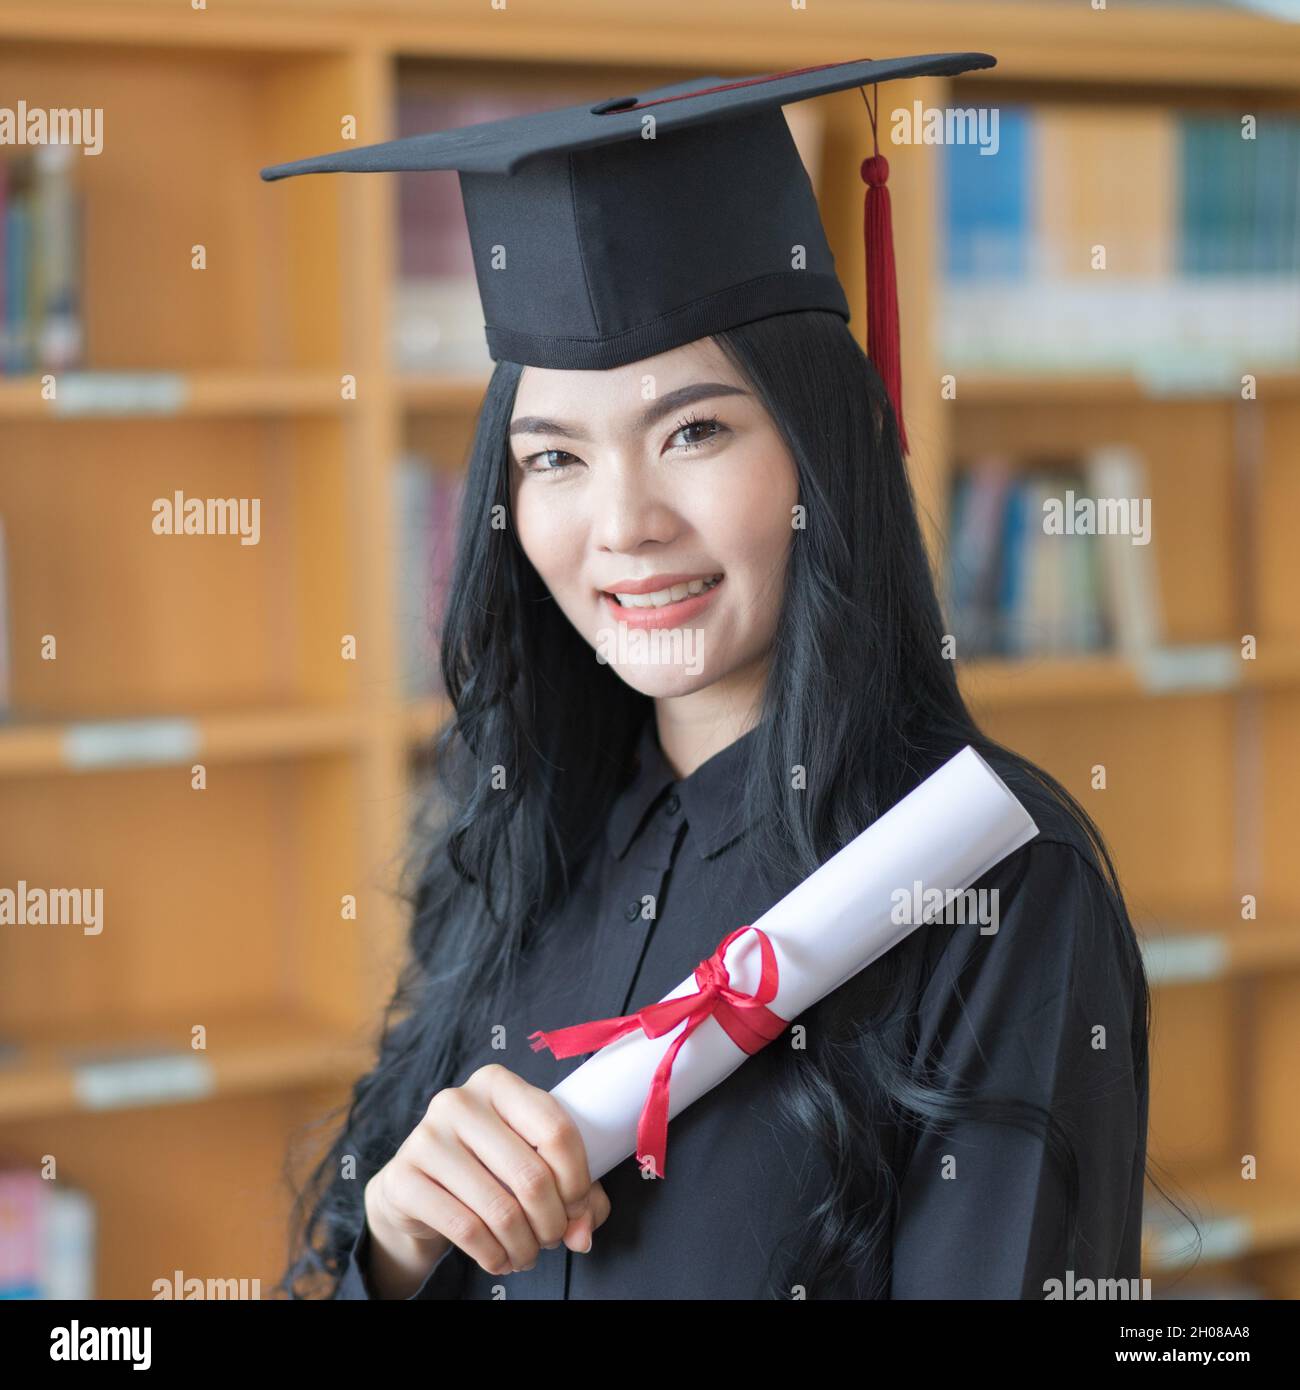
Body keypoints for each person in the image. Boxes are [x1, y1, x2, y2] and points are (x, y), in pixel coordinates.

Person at [265, 55, 1156, 1300]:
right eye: (555, 456)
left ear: (819, 449)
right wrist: (402, 1251)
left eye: (694, 430)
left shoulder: (989, 885)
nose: (624, 525)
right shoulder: (513, 842)